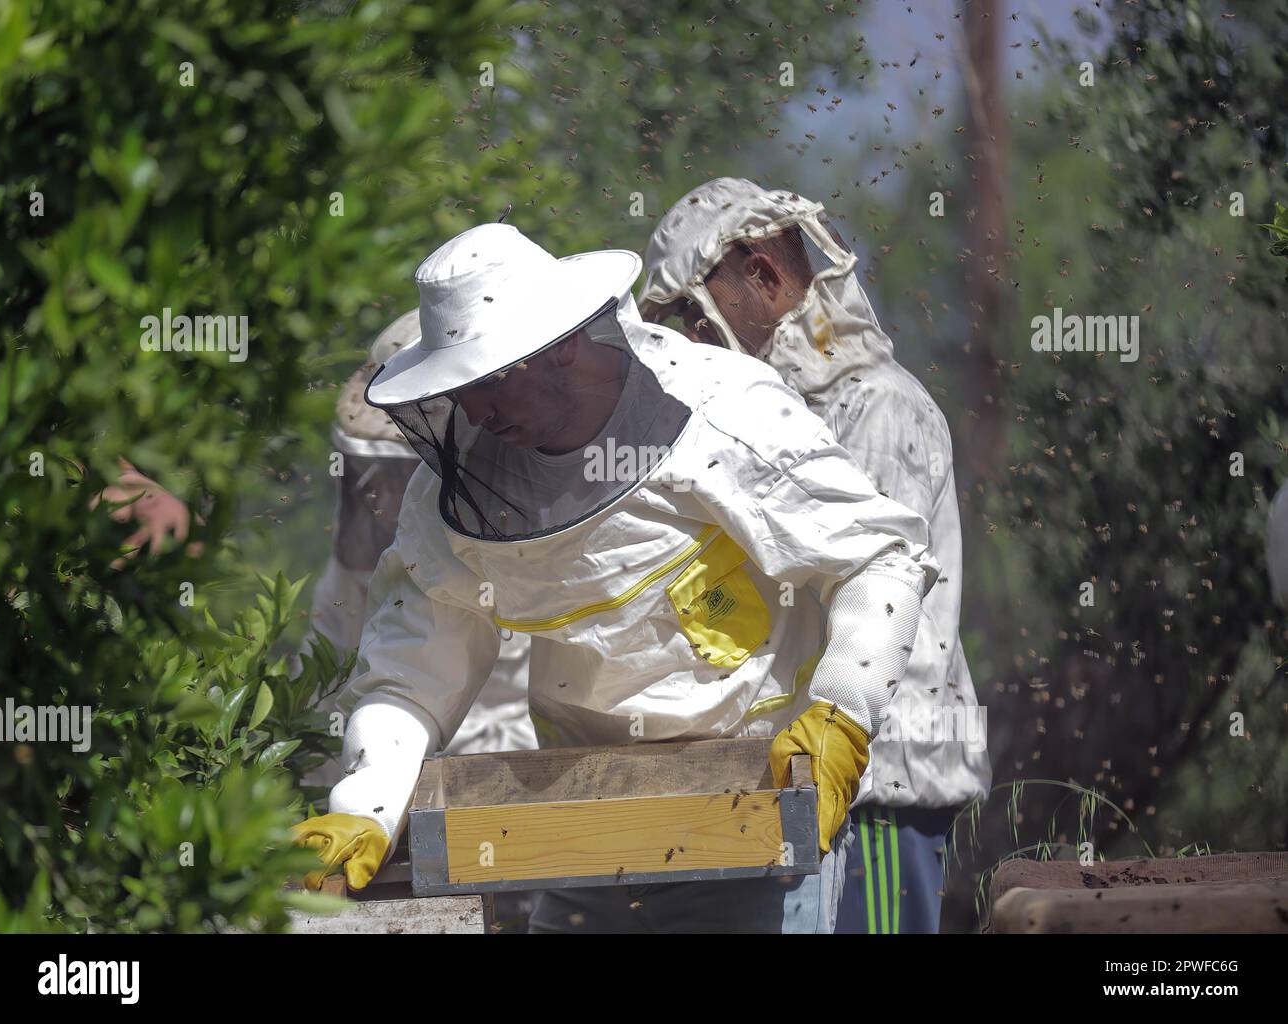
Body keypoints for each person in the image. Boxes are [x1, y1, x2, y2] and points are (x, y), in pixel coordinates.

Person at [294, 221, 939, 933]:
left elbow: (881, 556)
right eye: (460, 389)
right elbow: (413, 671)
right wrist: (363, 808)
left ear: (565, 345)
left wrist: (840, 716)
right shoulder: (459, 488)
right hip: (582, 825)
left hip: (756, 815)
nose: (475, 410)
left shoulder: (725, 413)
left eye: (491, 382)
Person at [638, 177, 992, 933]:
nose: (689, 341)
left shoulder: (876, 405)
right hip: (809, 782)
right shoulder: (777, 414)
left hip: (883, 789)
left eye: (692, 316)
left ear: (762, 276)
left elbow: (857, 592)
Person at [303, 311, 534, 763]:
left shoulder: (531, 540)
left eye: (401, 471)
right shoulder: (354, 564)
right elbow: (319, 696)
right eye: (371, 471)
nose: (376, 493)